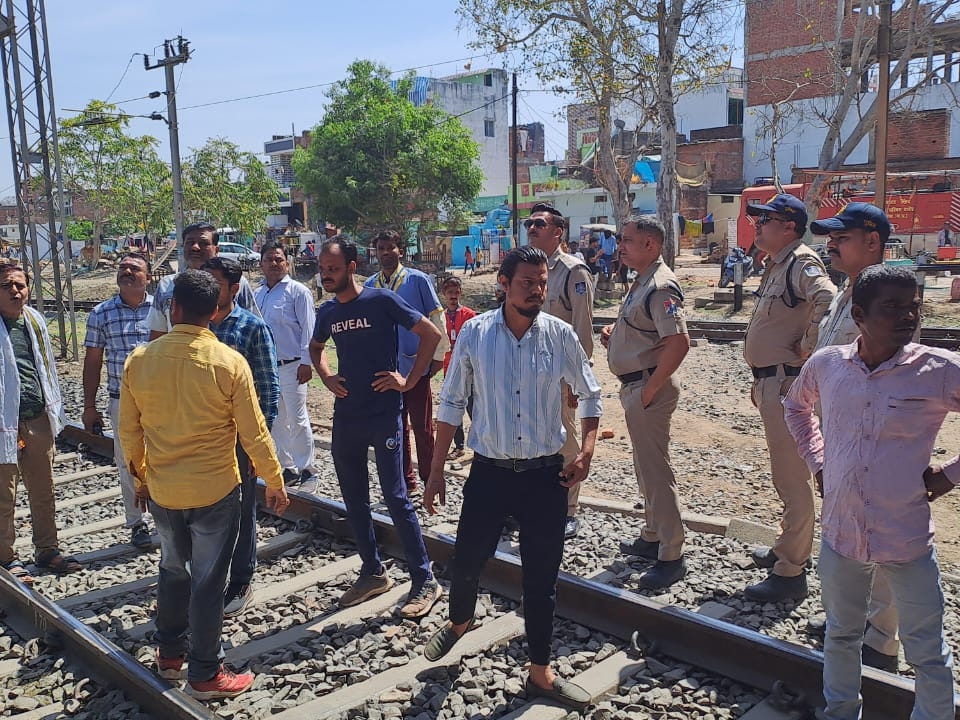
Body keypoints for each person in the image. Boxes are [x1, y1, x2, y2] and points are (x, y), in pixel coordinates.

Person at [423, 246, 602, 712]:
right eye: (527, 282)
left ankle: (541, 673)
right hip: (489, 475)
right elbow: (450, 404)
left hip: (545, 478)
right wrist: (436, 470)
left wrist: (585, 451)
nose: (537, 290)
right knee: (465, 563)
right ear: (503, 284)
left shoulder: (560, 335)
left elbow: (590, 393)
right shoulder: (476, 334)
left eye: (542, 282)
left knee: (541, 580)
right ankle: (460, 620)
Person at [784, 265, 958, 720]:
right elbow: (796, 407)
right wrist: (818, 461)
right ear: (859, 314)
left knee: (926, 647)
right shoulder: (827, 365)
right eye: (894, 308)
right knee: (841, 634)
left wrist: (951, 475)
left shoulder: (937, 370)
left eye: (914, 306)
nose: (909, 316)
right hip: (842, 531)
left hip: (905, 535)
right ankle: (841, 711)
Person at [119, 269, 289, 700]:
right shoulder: (229, 363)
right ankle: (205, 674)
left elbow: (129, 432)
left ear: (173, 308)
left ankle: (170, 655)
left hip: (164, 491)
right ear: (214, 312)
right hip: (215, 491)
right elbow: (253, 433)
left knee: (173, 570)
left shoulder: (139, 360)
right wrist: (274, 478)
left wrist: (141, 476)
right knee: (209, 582)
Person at [310, 238, 443, 618]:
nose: (326, 275)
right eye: (323, 269)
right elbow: (316, 348)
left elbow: (431, 335)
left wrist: (409, 380)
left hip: (383, 414)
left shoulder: (381, 300)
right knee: (354, 499)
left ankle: (424, 580)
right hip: (346, 417)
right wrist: (327, 377)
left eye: (333, 268)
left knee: (397, 498)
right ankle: (373, 572)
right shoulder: (328, 311)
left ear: (352, 267)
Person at [808, 203, 907, 673]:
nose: (831, 244)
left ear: (872, 240)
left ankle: (881, 641)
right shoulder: (845, 295)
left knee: (880, 536)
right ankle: (849, 622)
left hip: (874, 436)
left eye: (841, 236)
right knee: (845, 531)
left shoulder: (890, 295)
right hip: (839, 434)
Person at [742, 193, 836, 602]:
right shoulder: (778, 264)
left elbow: (827, 299)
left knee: (793, 479)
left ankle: (790, 571)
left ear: (789, 227)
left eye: (766, 219)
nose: (758, 225)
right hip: (772, 381)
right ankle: (788, 548)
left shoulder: (801, 262)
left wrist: (808, 344)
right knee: (785, 476)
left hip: (787, 385)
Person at [602, 217, 691, 589]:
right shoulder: (642, 281)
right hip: (636, 385)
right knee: (645, 467)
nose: (620, 246)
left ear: (651, 245)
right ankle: (653, 535)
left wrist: (650, 390)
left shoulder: (660, 285)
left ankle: (672, 553)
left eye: (627, 240)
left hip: (646, 388)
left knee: (656, 472)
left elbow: (679, 342)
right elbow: (647, 332)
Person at [202, 257, 280, 618]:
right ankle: (206, 578)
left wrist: (255, 446)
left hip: (237, 439)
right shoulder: (192, 327)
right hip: (199, 437)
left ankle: (242, 580)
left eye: (214, 282)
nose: (207, 288)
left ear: (234, 289)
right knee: (204, 509)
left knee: (242, 509)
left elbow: (268, 390)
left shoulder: (252, 328)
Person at [0, 260, 79, 585]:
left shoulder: (34, 321)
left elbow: (43, 370)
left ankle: (47, 549)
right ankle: (6, 558)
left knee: (43, 490)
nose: (15, 291)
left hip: (38, 417)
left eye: (20, 284)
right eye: (7, 286)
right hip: (4, 422)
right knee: (4, 494)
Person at [525, 202, 595, 540]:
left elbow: (582, 330)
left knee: (565, 440)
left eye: (539, 223)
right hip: (528, 371)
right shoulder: (526, 269)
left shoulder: (572, 271)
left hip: (560, 374)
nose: (531, 228)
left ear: (558, 231)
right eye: (529, 223)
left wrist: (576, 380)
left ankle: (568, 510)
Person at [365, 229, 449, 496]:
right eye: (381, 248)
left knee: (423, 428)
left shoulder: (418, 280)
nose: (386, 253)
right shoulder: (369, 285)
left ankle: (430, 479)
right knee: (393, 428)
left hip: (415, 367)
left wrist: (437, 356)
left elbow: (437, 320)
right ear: (375, 252)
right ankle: (405, 481)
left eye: (391, 247)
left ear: (400, 250)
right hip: (383, 371)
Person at [82, 252, 154, 549]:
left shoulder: (162, 309)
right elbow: (92, 362)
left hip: (160, 401)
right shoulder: (101, 313)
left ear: (147, 277)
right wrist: (89, 407)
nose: (126, 271)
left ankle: (167, 517)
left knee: (164, 458)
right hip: (121, 401)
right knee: (128, 463)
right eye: (123, 267)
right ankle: (136, 523)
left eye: (134, 268)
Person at [254, 241, 317, 486]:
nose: (274, 264)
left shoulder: (298, 291)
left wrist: (306, 361)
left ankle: (308, 469)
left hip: (293, 365)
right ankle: (287, 467)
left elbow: (308, 329)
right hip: (266, 368)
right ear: (261, 264)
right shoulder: (257, 294)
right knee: (276, 419)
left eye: (279, 259)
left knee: (298, 417)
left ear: (287, 263)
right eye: (269, 259)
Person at [147, 222, 259, 340]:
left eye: (203, 243)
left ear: (216, 249)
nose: (195, 247)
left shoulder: (237, 283)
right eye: (190, 243)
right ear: (183, 247)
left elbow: (253, 328)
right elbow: (157, 335)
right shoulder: (167, 285)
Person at [440, 276, 476, 458]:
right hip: (450, 370)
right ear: (444, 294)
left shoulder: (469, 315)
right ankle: (459, 445)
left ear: (460, 293)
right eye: (449, 293)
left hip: (470, 370)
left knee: (473, 407)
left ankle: (480, 445)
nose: (453, 296)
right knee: (454, 408)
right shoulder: (441, 317)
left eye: (456, 292)